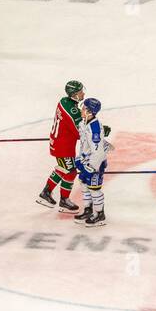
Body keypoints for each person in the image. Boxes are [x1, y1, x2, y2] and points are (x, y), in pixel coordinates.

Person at [36, 80, 85, 212]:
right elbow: (80, 132)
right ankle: (64, 200)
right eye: (80, 92)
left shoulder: (64, 101)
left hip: (58, 142)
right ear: (74, 95)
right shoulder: (73, 111)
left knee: (63, 168)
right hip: (63, 146)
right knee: (70, 171)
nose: (83, 93)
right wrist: (97, 129)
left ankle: (46, 192)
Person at [73, 98, 110, 227]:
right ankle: (88, 210)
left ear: (90, 111)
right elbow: (84, 144)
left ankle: (100, 215)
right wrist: (80, 158)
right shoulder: (84, 123)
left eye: (84, 108)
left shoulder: (94, 128)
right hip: (85, 160)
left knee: (94, 189)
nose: (81, 110)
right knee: (83, 184)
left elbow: (98, 152)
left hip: (95, 163)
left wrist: (92, 166)